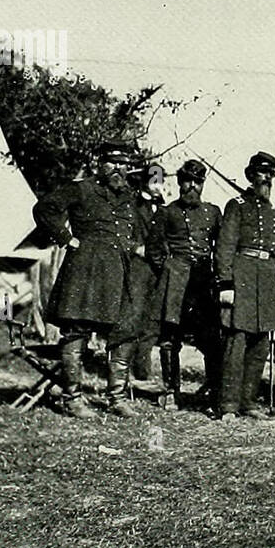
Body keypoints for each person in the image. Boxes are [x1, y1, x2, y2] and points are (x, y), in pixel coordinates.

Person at [32, 140, 146, 419]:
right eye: (112, 163)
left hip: (120, 273)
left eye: (124, 164)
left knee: (125, 331)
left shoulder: (130, 196)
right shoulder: (81, 188)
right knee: (76, 332)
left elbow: (138, 231)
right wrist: (66, 238)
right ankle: (72, 398)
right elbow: (44, 208)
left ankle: (116, 398)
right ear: (101, 164)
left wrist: (135, 248)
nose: (119, 169)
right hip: (86, 272)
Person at [216, 151, 275, 421]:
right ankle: (228, 405)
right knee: (237, 344)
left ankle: (248, 402)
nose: (267, 179)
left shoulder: (273, 211)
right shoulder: (236, 205)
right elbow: (225, 246)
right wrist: (225, 283)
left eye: (271, 174)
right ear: (250, 175)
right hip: (243, 277)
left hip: (267, 279)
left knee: (260, 345)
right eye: (262, 173)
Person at [149, 159, 221, 412]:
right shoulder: (167, 213)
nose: (192, 186)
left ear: (203, 184)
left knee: (211, 339)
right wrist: (170, 270)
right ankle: (171, 391)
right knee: (170, 339)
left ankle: (214, 389)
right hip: (175, 281)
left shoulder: (213, 212)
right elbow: (155, 250)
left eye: (198, 182)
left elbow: (220, 248)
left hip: (202, 283)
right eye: (187, 181)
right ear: (179, 182)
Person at [121, 160, 167, 396]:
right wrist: (134, 249)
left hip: (157, 270)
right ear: (145, 181)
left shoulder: (163, 207)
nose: (158, 186)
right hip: (138, 268)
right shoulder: (132, 205)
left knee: (151, 322)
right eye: (154, 180)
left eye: (161, 181)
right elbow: (121, 235)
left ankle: (143, 371)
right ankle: (123, 372)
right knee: (133, 317)